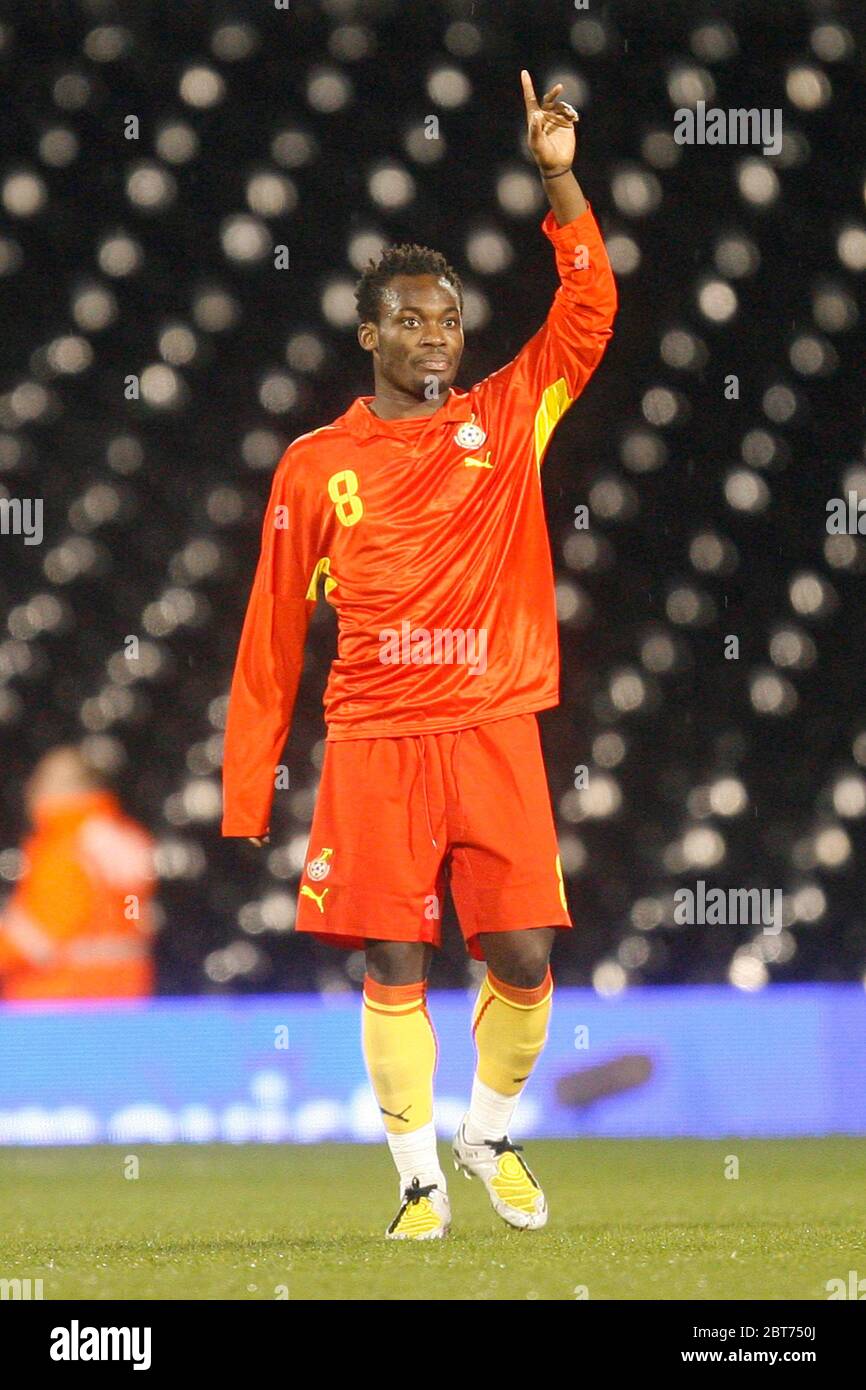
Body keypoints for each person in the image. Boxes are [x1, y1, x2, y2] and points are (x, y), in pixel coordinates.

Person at [222, 71, 617, 1238]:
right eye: (409, 317)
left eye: (445, 317)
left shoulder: (505, 418)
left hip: (494, 725)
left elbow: (587, 316)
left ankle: (485, 1132)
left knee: (527, 954)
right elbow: (270, 630)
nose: (432, 333)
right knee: (393, 958)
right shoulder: (311, 464)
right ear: (367, 332)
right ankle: (415, 1183)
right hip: (375, 740)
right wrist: (251, 785)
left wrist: (556, 178)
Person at [0, 747, 156, 1001]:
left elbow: (41, 934)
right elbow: (134, 913)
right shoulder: (127, 837)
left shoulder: (64, 847)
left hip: (62, 997)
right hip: (127, 991)